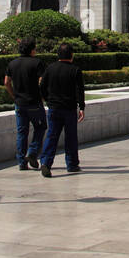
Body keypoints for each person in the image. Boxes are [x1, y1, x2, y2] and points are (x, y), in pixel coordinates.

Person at [37, 42, 86, 178]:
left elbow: (42, 87)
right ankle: (72, 164)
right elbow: (79, 91)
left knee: (51, 135)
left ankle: (46, 162)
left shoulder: (50, 68)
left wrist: (47, 99)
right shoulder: (75, 70)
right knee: (71, 137)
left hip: (54, 108)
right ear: (71, 55)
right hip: (69, 108)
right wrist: (81, 107)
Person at [4, 37, 46, 171]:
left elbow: (6, 82)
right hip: (34, 102)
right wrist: (42, 95)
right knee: (41, 127)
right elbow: (42, 81)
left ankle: (22, 162)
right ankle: (32, 152)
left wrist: (14, 95)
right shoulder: (37, 63)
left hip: (19, 103)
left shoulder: (12, 64)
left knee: (22, 132)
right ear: (32, 50)